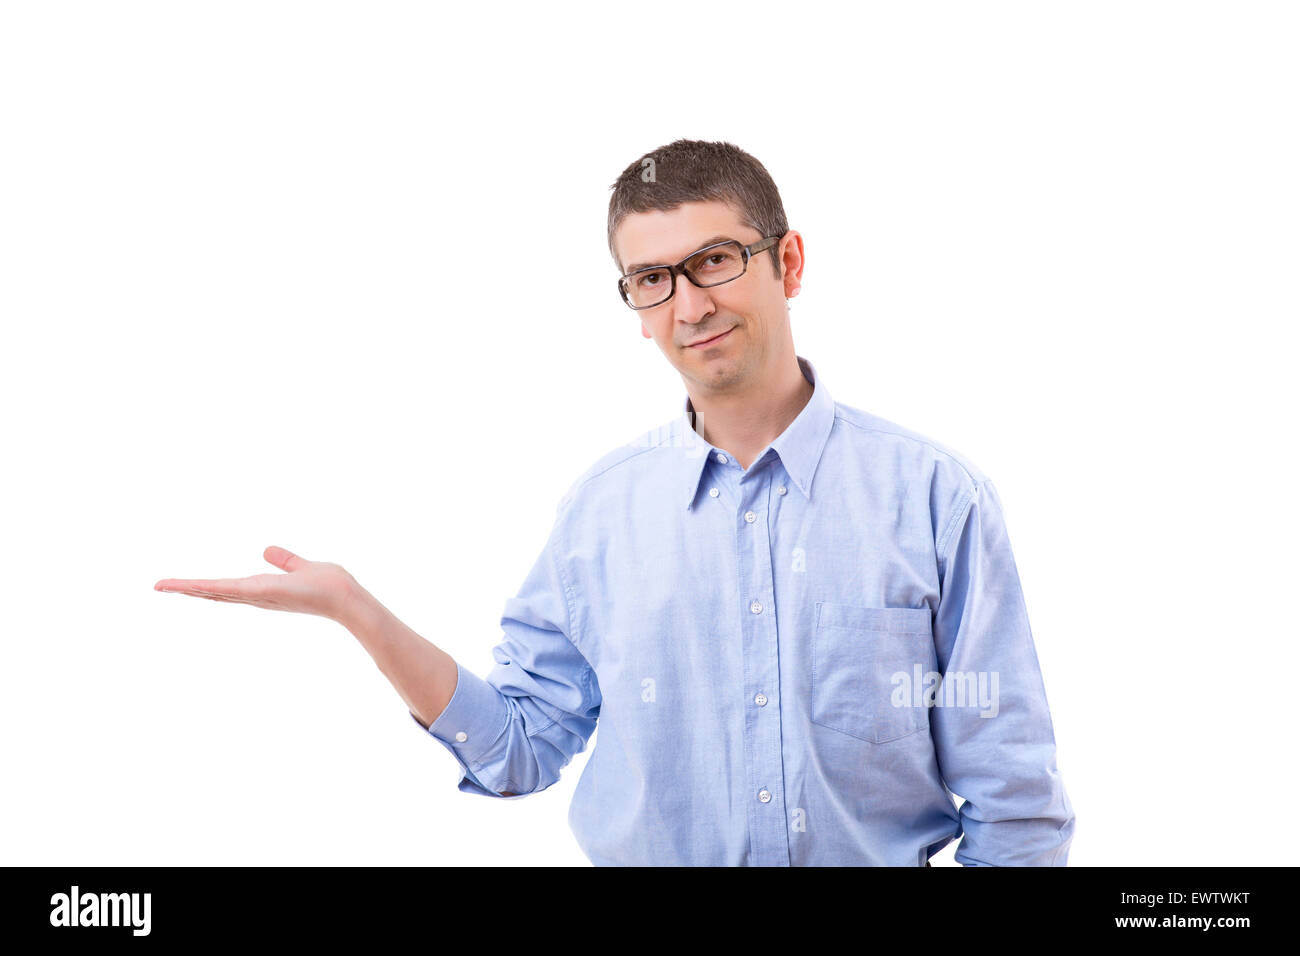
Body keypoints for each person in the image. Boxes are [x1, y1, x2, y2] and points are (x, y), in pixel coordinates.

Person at [155, 139, 1076, 866]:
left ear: (787, 262)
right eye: (652, 278)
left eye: (714, 260)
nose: (689, 305)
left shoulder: (933, 498)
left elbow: (1012, 798)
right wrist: (355, 611)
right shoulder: (600, 515)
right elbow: (518, 747)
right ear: (635, 305)